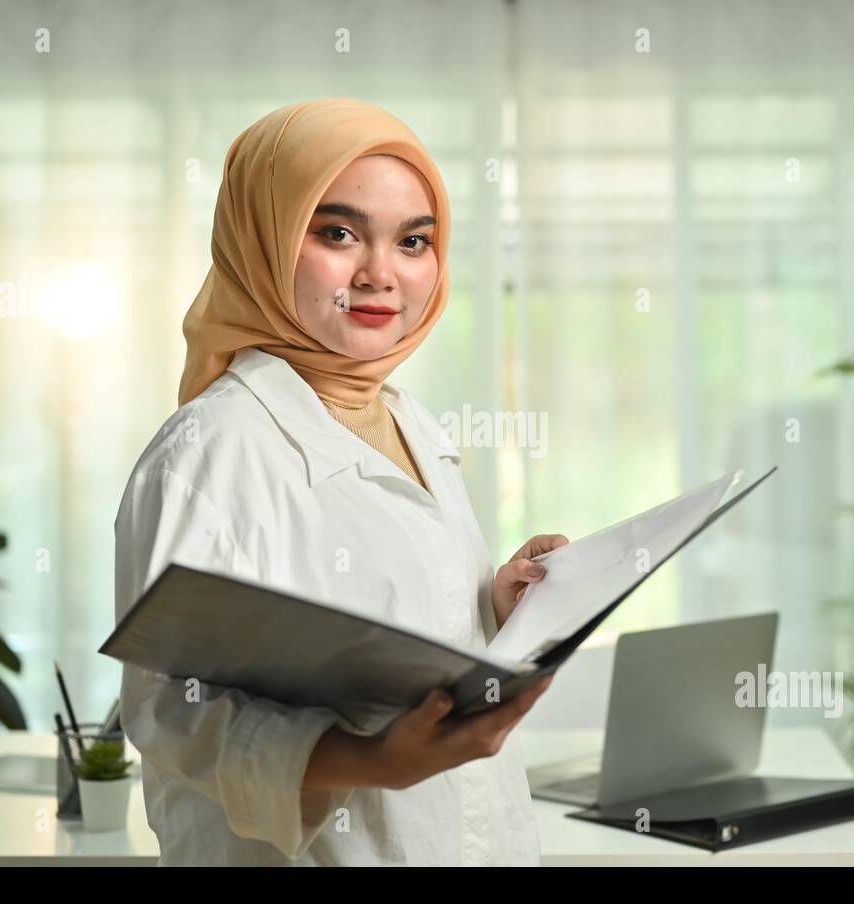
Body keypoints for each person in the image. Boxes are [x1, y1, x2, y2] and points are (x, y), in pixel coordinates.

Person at [114, 98, 564, 865]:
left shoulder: (406, 419)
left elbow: (394, 630)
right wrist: (371, 762)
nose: (381, 274)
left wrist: (490, 609)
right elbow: (171, 710)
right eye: (337, 232)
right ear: (264, 239)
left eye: (414, 241)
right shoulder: (209, 449)